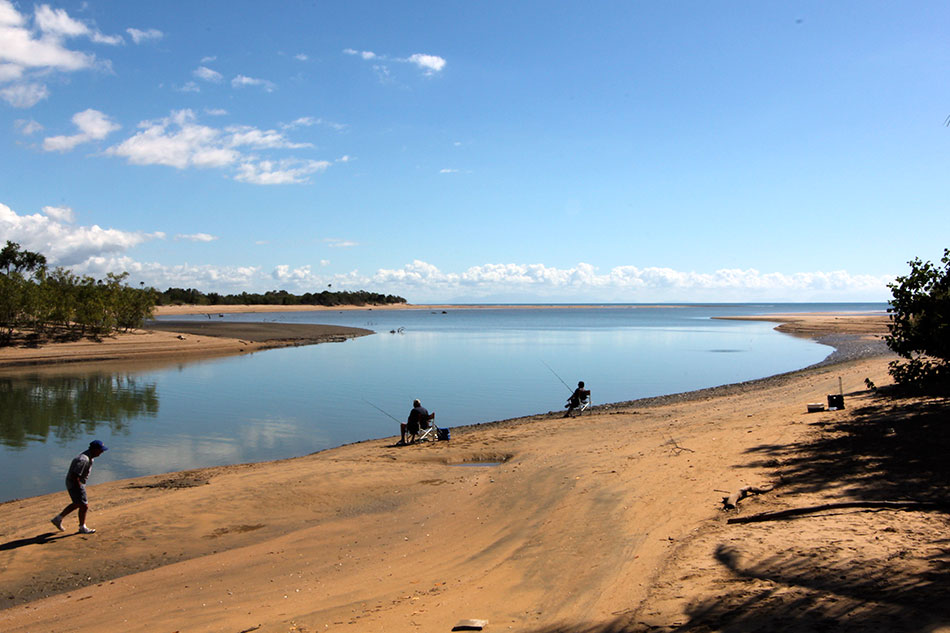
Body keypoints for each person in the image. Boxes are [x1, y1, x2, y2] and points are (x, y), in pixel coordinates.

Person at [50, 439, 108, 534]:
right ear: (94, 449)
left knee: (77, 503)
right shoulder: (83, 459)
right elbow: (74, 476)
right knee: (84, 506)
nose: (102, 452)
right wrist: (79, 488)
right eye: (100, 450)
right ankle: (82, 527)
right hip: (75, 483)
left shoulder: (90, 457)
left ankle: (58, 519)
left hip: (77, 483)